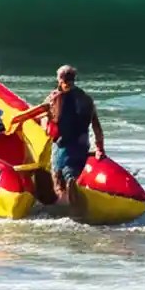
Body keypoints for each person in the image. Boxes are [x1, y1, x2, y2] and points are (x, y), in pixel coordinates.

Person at [44, 65, 105, 214]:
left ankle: (68, 210)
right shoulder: (86, 99)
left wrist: (47, 118)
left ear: (59, 79)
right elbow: (97, 127)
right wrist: (99, 149)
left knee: (59, 179)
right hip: (82, 144)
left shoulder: (54, 98)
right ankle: (78, 203)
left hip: (63, 146)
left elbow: (47, 124)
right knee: (74, 174)